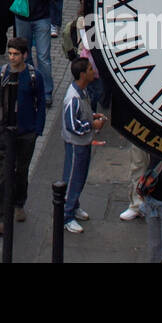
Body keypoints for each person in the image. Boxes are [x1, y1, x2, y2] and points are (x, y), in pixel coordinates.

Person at [0, 38, 46, 234]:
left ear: (25, 55)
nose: (12, 57)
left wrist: (37, 129)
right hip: (6, 133)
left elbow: (40, 103)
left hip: (26, 133)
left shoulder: (34, 76)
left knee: (21, 172)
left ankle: (19, 203)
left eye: (16, 54)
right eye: (10, 53)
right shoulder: (1, 74)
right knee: (5, 176)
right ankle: (1, 217)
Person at [3, 0, 60, 105]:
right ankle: (27, 87)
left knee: (43, 57)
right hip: (23, 18)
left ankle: (46, 91)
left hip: (42, 17)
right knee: (24, 55)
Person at [61, 56, 107, 233]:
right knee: (72, 178)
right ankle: (66, 215)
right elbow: (73, 126)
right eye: (89, 69)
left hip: (83, 143)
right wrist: (92, 125)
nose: (92, 71)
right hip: (76, 145)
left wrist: (92, 116)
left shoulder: (83, 91)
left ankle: (74, 205)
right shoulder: (73, 98)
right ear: (82, 74)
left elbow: (82, 114)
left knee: (80, 177)